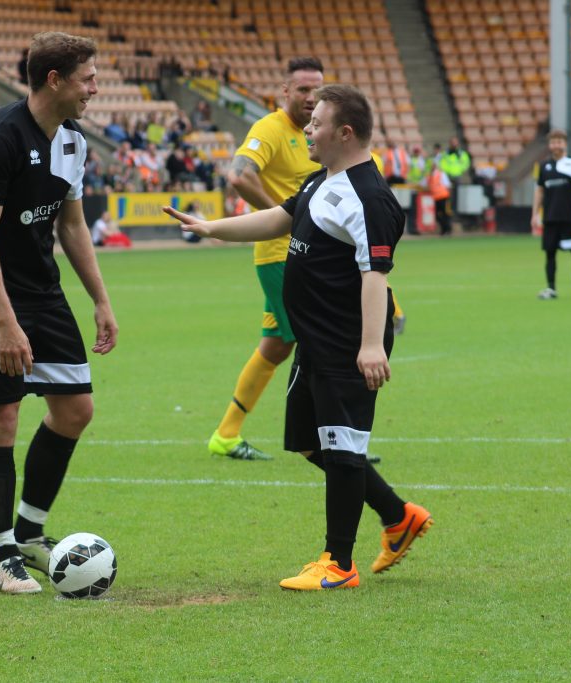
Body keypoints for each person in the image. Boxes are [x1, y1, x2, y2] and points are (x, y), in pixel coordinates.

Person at [163, 84, 432, 591]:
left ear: (344, 132)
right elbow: (280, 219)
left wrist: (371, 346)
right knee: (312, 443)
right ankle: (398, 517)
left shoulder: (369, 197)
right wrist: (212, 228)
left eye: (318, 123)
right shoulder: (320, 182)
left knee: (344, 446)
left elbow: (376, 274)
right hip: (315, 342)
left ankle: (339, 563)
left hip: (346, 345)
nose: (308, 129)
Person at [0, 32, 118, 594]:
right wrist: (4, 322)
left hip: (42, 292)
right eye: (88, 78)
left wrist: (99, 298)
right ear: (55, 80)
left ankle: (30, 532)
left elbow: (71, 224)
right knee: (2, 418)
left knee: (75, 409)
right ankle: (3, 558)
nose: (95, 88)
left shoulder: (73, 141)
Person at [208, 57, 325, 461]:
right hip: (282, 258)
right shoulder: (269, 128)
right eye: (304, 90)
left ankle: (226, 434)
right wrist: (284, 218)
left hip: (301, 256)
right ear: (285, 91)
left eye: (318, 90)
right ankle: (330, 438)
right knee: (318, 341)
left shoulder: (314, 134)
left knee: (276, 346)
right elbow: (239, 175)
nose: (312, 97)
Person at [531, 129, 571, 299]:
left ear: (565, 144)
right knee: (550, 253)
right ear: (549, 145)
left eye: (559, 141)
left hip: (570, 216)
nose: (556, 145)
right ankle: (551, 288)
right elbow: (539, 191)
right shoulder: (543, 166)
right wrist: (535, 214)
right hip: (550, 216)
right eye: (553, 142)